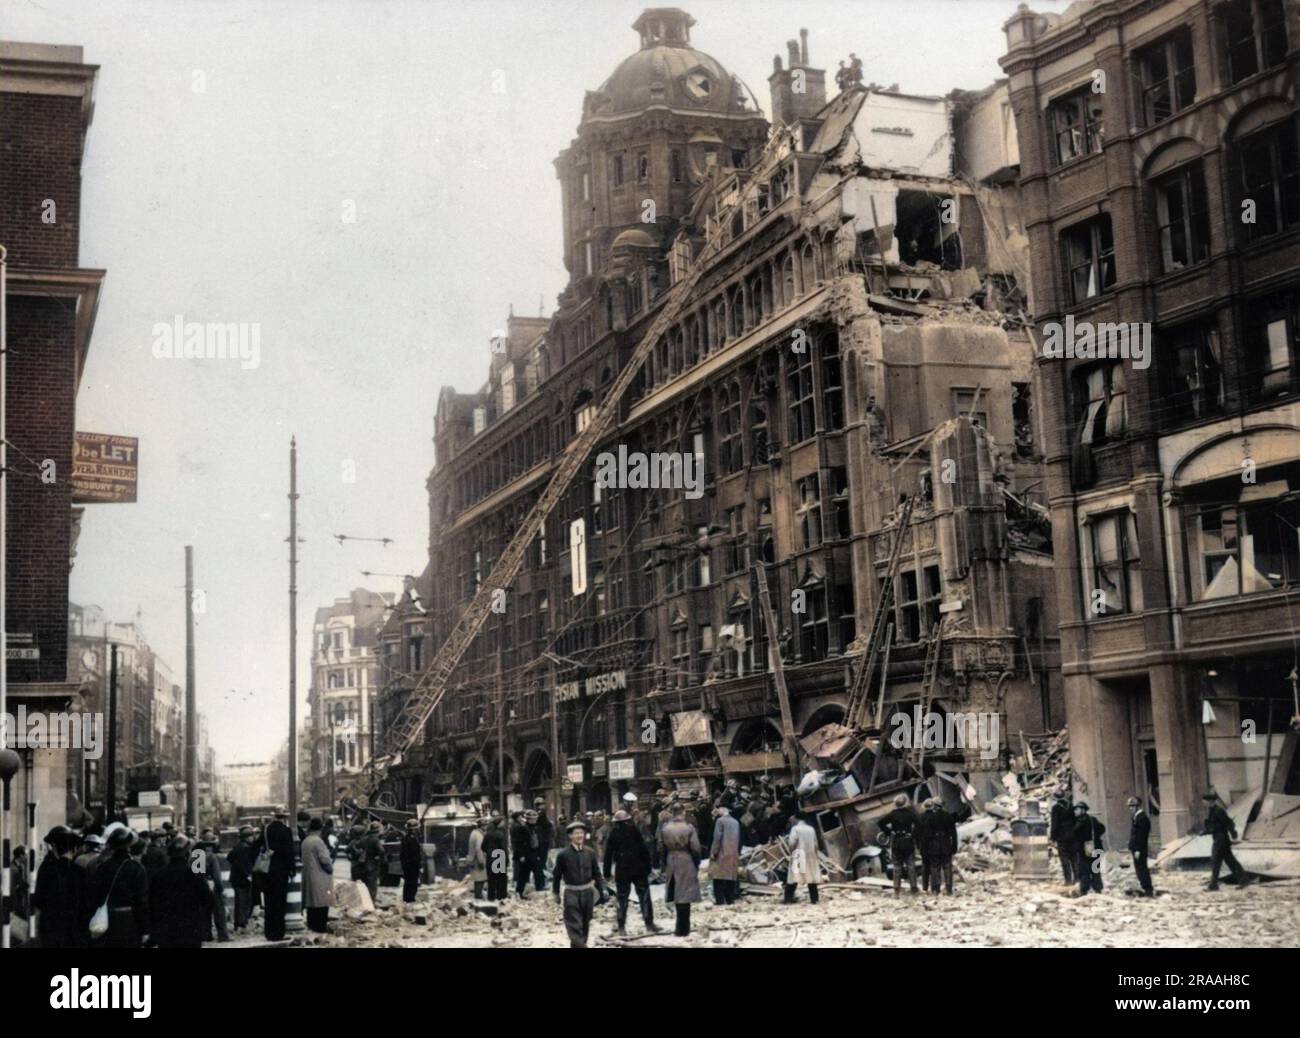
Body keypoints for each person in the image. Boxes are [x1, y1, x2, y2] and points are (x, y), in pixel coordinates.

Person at [149, 836, 214, 948]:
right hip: (191, 928)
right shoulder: (195, 874)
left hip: (166, 930)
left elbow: (153, 904)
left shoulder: (158, 876)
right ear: (187, 853)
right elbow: (207, 899)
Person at [552, 819, 608, 948]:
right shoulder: (563, 855)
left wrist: (603, 888)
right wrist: (555, 893)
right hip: (571, 893)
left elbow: (597, 874)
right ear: (570, 836)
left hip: (588, 893)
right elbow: (556, 876)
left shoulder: (590, 852)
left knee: (585, 924)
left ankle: (579, 945)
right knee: (573, 924)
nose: (579, 836)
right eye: (576, 833)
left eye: (581, 833)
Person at [91, 825, 149, 948]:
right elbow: (141, 901)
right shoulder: (137, 868)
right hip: (130, 921)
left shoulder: (103, 867)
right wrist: (145, 929)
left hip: (107, 920)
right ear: (129, 847)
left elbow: (95, 896)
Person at [603, 809, 659, 935]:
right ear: (627, 820)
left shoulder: (613, 833)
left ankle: (622, 927)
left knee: (622, 898)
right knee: (644, 895)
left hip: (622, 869)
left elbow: (608, 855)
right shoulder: (634, 830)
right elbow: (643, 849)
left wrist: (606, 873)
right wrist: (648, 867)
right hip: (638, 868)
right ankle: (649, 925)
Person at [33, 826, 87, 948]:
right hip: (74, 930)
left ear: (55, 847)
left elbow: (38, 902)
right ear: (74, 848)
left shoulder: (46, 869)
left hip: (50, 929)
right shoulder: (80, 872)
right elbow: (86, 906)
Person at [660, 803, 701, 936]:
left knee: (676, 894)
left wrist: (663, 864)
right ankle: (684, 928)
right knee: (685, 894)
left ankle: (679, 927)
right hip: (685, 859)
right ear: (683, 812)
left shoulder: (665, 828)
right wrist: (696, 863)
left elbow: (660, 848)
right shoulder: (688, 828)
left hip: (671, 860)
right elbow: (695, 848)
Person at [1202, 790, 1248, 891]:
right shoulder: (1212, 811)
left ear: (1210, 801)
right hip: (1220, 838)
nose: (1203, 803)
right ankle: (1244, 880)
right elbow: (1212, 825)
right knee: (1230, 861)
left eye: (1204, 801)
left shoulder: (1218, 811)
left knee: (1215, 861)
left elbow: (1228, 822)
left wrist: (1233, 833)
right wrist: (1205, 831)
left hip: (1221, 839)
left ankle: (1213, 885)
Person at [878, 793, 920, 896]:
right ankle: (914, 889)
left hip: (897, 842)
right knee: (911, 866)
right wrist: (912, 835)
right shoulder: (910, 813)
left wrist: (889, 831)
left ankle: (896, 891)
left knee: (897, 867)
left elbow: (880, 823)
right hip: (908, 842)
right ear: (905, 802)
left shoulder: (892, 814)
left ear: (895, 804)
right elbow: (919, 824)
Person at [263, 808, 295, 941]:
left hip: (267, 871)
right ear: (284, 818)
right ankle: (278, 933)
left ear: (274, 816)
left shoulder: (266, 830)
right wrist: (291, 869)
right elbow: (289, 852)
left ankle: (268, 932)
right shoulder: (286, 831)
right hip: (281, 872)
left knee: (269, 903)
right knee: (280, 903)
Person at [301, 817, 334, 933]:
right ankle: (320, 928)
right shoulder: (318, 841)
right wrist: (330, 868)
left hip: (308, 876)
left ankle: (312, 926)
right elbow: (325, 859)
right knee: (321, 904)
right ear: (320, 829)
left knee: (311, 904)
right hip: (320, 877)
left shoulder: (305, 841)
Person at [919, 798, 958, 895]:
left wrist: (923, 848)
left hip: (934, 845)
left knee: (934, 867)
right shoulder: (948, 816)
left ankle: (935, 889)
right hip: (946, 843)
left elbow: (926, 835)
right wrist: (954, 846)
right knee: (947, 866)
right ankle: (949, 889)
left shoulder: (931, 818)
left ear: (934, 805)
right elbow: (954, 833)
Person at [198, 829, 230, 942]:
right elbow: (217, 876)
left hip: (200, 887)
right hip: (212, 886)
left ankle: (206, 935)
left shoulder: (196, 856)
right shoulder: (212, 857)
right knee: (219, 912)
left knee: (204, 913)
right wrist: (220, 889)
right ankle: (223, 936)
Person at [784, 814, 823, 904]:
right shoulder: (811, 829)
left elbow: (791, 843)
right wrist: (815, 855)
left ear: (797, 818)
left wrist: (791, 852)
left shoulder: (795, 829)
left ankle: (788, 900)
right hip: (810, 855)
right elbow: (816, 844)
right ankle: (814, 900)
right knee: (811, 878)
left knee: (793, 878)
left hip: (798, 854)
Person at [709, 806, 741, 905]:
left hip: (722, 852)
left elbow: (717, 838)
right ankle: (730, 900)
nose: (717, 811)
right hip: (733, 852)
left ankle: (719, 900)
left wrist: (714, 852)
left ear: (723, 809)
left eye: (718, 809)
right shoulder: (736, 822)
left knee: (718, 877)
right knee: (731, 877)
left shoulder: (720, 821)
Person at [227, 826, 257, 931]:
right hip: (243, 879)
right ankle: (241, 923)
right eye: (251, 836)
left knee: (239, 901)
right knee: (244, 901)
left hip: (236, 878)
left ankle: (238, 923)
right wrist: (248, 875)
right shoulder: (245, 848)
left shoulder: (237, 847)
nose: (253, 838)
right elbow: (245, 864)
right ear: (247, 837)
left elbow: (229, 857)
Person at [1072, 801, 1105, 896]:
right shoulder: (1092, 819)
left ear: (1082, 810)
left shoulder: (1079, 822)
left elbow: (1075, 833)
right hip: (1096, 847)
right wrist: (1094, 838)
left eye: (1077, 809)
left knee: (1084, 870)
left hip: (1084, 850)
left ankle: (1084, 890)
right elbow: (1102, 828)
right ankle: (1097, 888)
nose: (1075, 811)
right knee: (1095, 869)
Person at [1127, 797, 1153, 897]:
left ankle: (1147, 889)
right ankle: (1145, 887)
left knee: (1142, 868)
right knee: (1139, 868)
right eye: (1130, 807)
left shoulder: (1142, 818)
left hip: (1140, 848)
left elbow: (1141, 836)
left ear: (1138, 806)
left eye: (1133, 806)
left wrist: (1138, 849)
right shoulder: (1136, 817)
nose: (1131, 808)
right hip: (1136, 847)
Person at [482, 813, 509, 901]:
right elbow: (503, 848)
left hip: (490, 858)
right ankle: (501, 897)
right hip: (499, 857)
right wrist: (506, 860)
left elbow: (483, 847)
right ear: (499, 823)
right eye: (502, 822)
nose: (504, 823)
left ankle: (491, 897)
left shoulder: (488, 834)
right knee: (501, 879)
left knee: (491, 879)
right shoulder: (501, 834)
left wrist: (490, 852)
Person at [510, 811, 535, 899]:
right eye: (521, 816)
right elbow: (520, 842)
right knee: (523, 873)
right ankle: (519, 892)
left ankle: (521, 892)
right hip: (523, 854)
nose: (522, 818)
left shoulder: (521, 825)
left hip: (524, 853)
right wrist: (522, 855)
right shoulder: (519, 827)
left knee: (524, 873)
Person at [360, 821, 386, 905]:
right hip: (372, 863)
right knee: (372, 884)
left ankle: (364, 902)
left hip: (363, 863)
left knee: (365, 884)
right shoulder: (375, 839)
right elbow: (381, 850)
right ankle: (371, 903)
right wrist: (382, 859)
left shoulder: (364, 838)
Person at [400, 818, 423, 904]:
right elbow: (415, 854)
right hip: (412, 865)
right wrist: (419, 865)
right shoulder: (412, 839)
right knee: (412, 883)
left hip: (406, 865)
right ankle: (410, 899)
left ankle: (407, 899)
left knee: (408, 882)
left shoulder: (405, 838)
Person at [531, 799, 553, 891]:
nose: (541, 807)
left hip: (541, 843)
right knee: (539, 864)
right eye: (540, 805)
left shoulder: (538, 816)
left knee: (540, 864)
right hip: (540, 843)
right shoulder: (539, 816)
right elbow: (548, 826)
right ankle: (540, 884)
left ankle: (541, 883)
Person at [464, 816, 488, 899]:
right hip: (478, 859)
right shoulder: (478, 835)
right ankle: (478, 896)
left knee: (478, 878)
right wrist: (481, 861)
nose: (486, 827)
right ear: (482, 826)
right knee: (480, 879)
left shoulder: (474, 833)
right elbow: (479, 849)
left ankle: (478, 894)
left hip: (474, 858)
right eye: (485, 825)